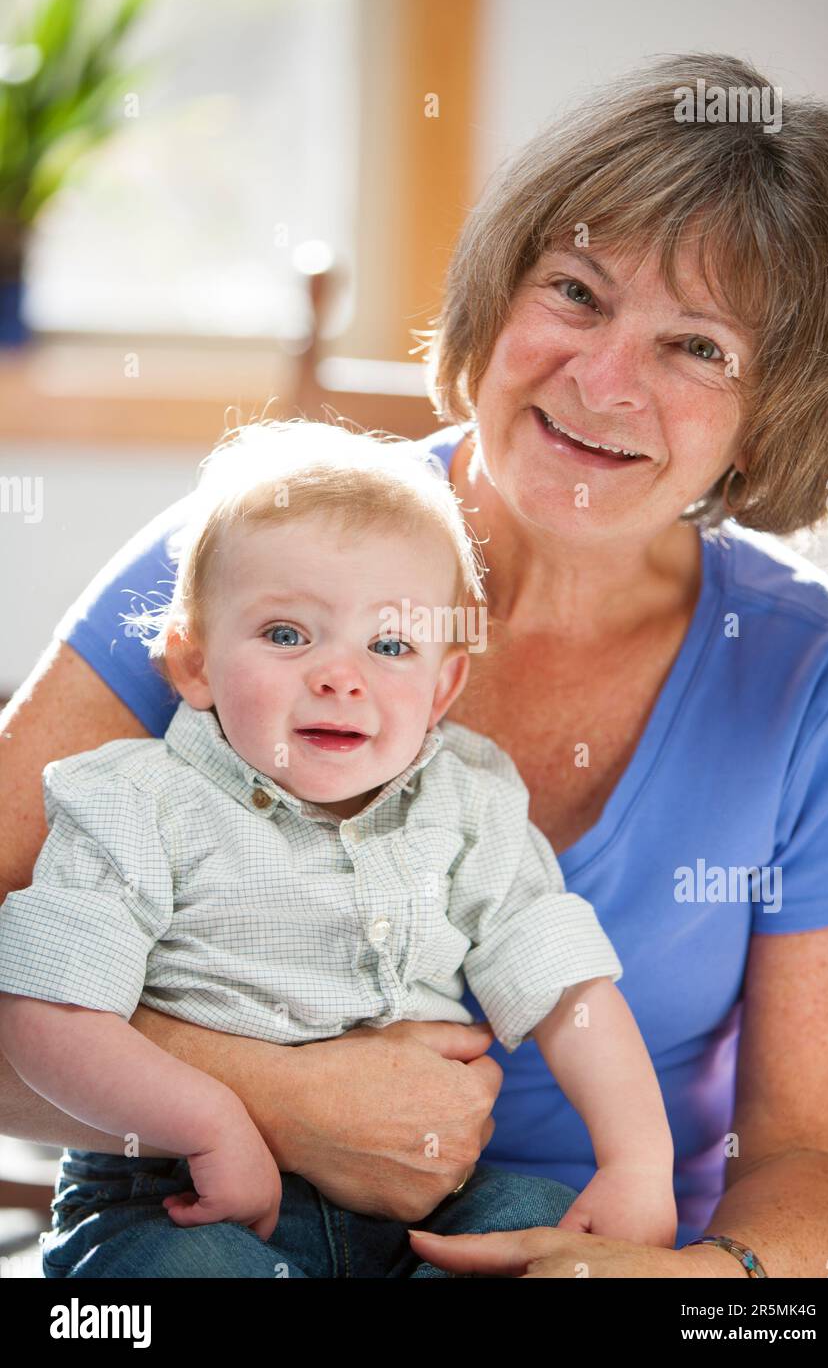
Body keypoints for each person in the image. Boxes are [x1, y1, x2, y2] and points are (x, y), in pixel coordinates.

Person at [1, 50, 828, 1279]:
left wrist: (688, 1284)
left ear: (775, 409)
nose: (603, 380)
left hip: (567, 1246)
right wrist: (267, 1099)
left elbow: (821, 1163)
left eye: (697, 349)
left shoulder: (815, 692)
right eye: (573, 291)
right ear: (496, 293)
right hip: (196, 1207)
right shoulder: (251, 554)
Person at [0, 420, 679, 1278]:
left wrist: (636, 1165)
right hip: (174, 1194)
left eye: (390, 646)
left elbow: (567, 986)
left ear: (443, 686)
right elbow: (46, 1013)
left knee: (534, 1231)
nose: (339, 675)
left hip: (418, 1208)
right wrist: (212, 1122)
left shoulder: (467, 805)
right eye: (288, 634)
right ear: (194, 661)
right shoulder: (135, 801)